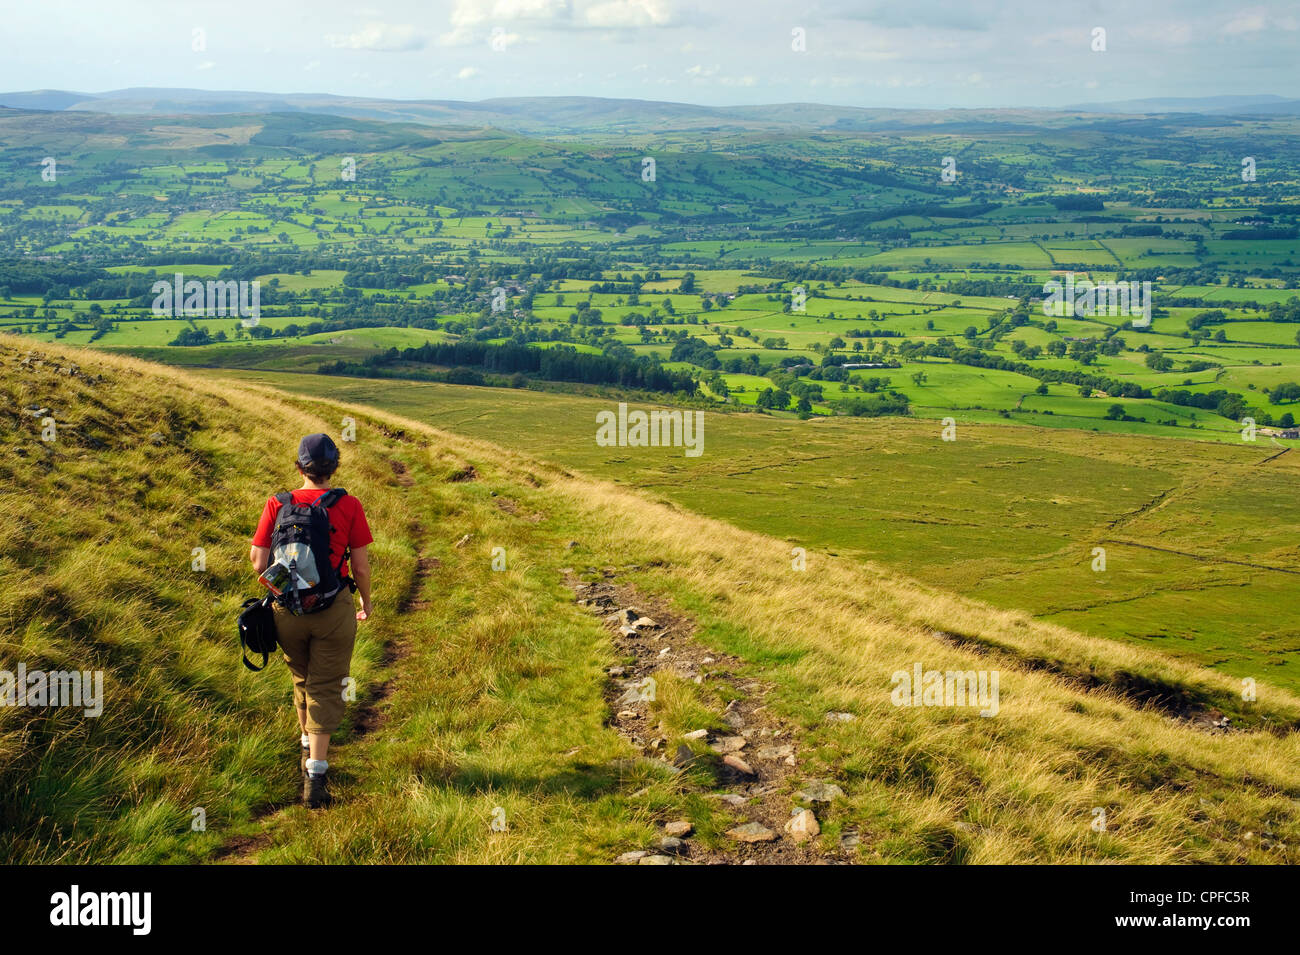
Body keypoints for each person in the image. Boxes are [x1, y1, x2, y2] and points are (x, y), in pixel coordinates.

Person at [249, 433, 374, 809]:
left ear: (300, 466)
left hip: (286, 608)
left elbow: (258, 562)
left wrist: (284, 587)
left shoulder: (277, 503)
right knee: (325, 684)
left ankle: (306, 746)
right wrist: (366, 604)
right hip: (333, 608)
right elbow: (361, 567)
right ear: (333, 466)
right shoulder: (348, 505)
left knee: (301, 678)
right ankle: (316, 775)